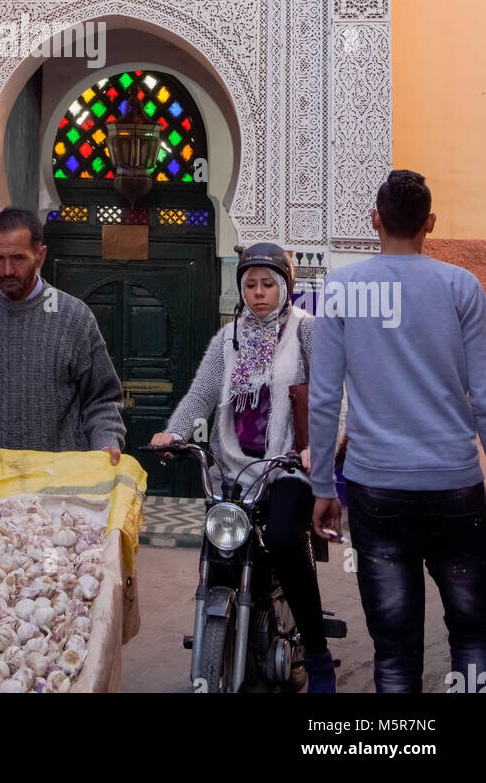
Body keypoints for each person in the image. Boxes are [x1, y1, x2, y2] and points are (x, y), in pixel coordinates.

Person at [310, 169, 486, 693]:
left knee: (393, 650)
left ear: (375, 221)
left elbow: (323, 399)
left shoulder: (341, 288)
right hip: (455, 487)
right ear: (429, 224)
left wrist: (323, 486)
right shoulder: (462, 287)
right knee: (474, 637)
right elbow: (482, 394)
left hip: (376, 491)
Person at [151, 243, 337, 693]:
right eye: (250, 284)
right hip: (231, 467)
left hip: (287, 465)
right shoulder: (227, 338)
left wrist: (320, 450)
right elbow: (200, 394)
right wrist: (174, 433)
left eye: (267, 284)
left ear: (285, 287)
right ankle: (227, 620)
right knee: (219, 550)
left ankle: (318, 659)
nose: (258, 293)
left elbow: (333, 393)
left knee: (283, 542)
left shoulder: (306, 331)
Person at [0, 206, 125, 462]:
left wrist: (106, 443)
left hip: (60, 484)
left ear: (40, 256)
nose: (6, 270)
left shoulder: (75, 318)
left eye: (18, 258)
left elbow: (102, 399)